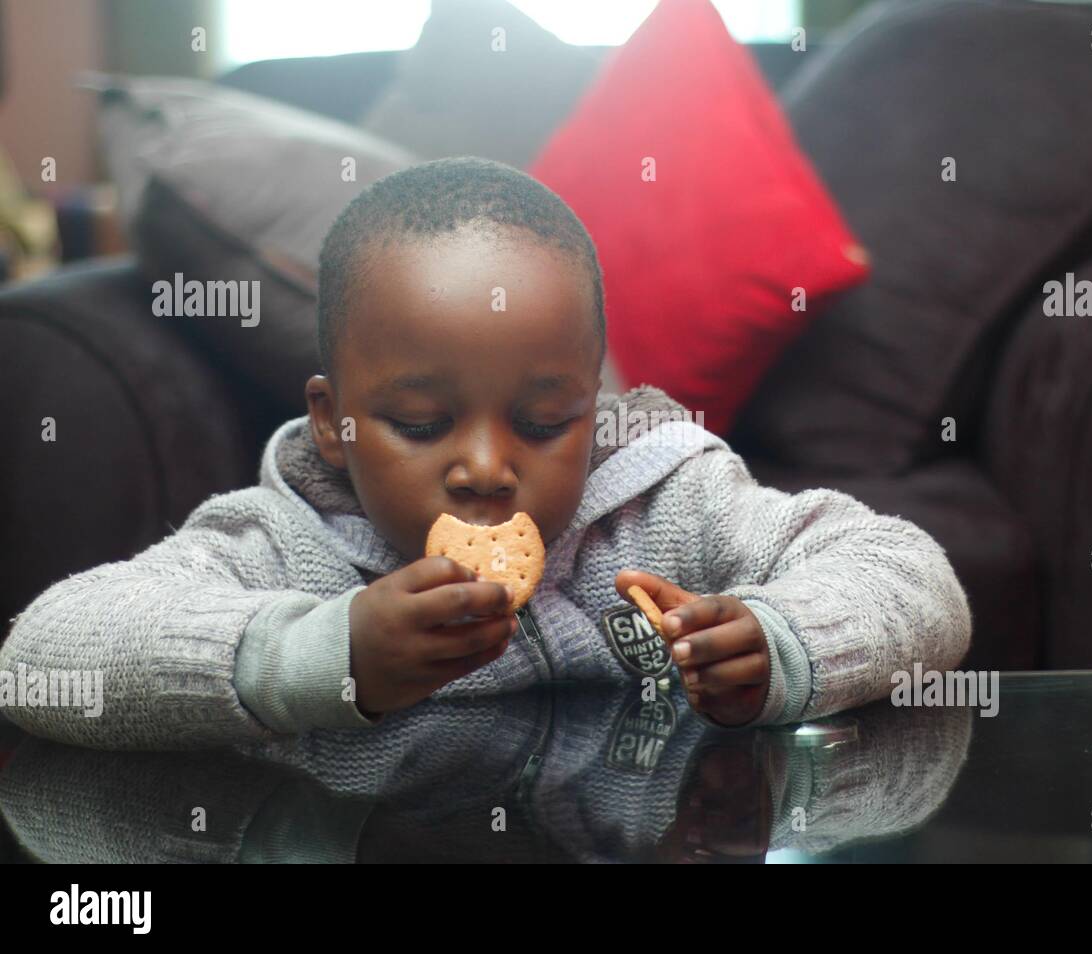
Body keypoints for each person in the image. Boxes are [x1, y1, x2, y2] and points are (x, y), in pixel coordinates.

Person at [0, 157, 972, 750]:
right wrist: (318, 653)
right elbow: (39, 662)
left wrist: (780, 641)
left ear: (592, 407)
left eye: (545, 422)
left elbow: (915, 579)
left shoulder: (665, 507)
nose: (483, 469)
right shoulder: (279, 546)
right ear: (334, 422)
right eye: (420, 425)